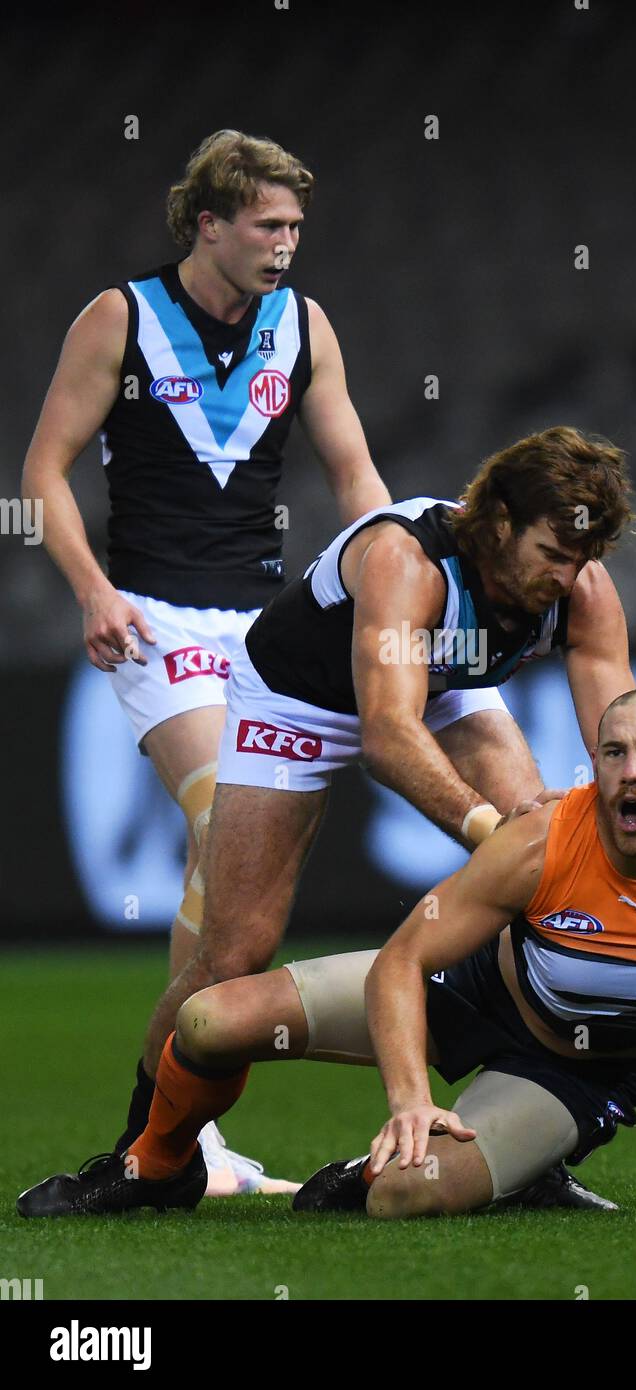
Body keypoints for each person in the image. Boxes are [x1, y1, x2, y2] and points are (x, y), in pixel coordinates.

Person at [17, 689, 636, 1219]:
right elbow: (405, 961)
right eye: (613, 753)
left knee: (402, 1195)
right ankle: (156, 1172)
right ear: (591, 764)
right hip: (472, 990)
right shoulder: (540, 842)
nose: (630, 774)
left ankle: (518, 1165)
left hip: (575, 1073)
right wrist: (411, 1100)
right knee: (206, 1021)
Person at [20, 128, 391, 1194]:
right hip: (151, 618)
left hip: (263, 632)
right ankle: (163, 1138)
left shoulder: (304, 326)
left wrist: (395, 566)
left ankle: (177, 1139)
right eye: (268, 225)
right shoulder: (120, 317)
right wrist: (90, 588)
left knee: (231, 898)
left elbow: (352, 468)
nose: (286, 245)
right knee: (223, 826)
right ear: (208, 224)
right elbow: (42, 468)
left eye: (296, 228)